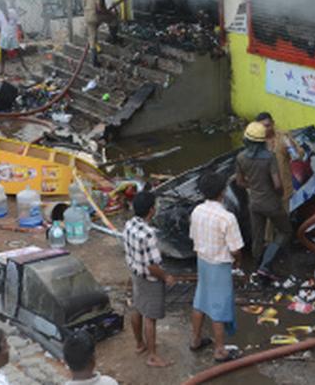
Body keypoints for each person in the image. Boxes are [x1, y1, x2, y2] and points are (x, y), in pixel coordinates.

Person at [189, 171, 243, 363]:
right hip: (219, 264)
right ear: (223, 192)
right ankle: (220, 350)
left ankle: (195, 339)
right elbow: (236, 249)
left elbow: (193, 237)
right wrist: (238, 261)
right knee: (219, 307)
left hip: (202, 260)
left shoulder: (197, 211)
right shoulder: (226, 218)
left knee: (201, 300)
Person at [123, 191, 176, 368]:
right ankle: (153, 356)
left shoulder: (130, 224)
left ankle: (140, 344)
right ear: (151, 209)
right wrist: (166, 276)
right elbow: (153, 266)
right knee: (150, 317)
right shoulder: (148, 234)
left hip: (135, 273)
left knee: (137, 307)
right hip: (150, 279)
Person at [235, 121, 290, 281]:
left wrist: (253, 186)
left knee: (257, 237)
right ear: (262, 141)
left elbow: (239, 182)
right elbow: (278, 184)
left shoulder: (241, 157)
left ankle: (256, 268)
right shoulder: (269, 158)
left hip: (254, 203)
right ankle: (266, 265)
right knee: (285, 231)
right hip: (272, 203)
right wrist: (279, 195)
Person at [258, 112, 301, 214]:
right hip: (264, 192)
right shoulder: (256, 141)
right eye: (261, 127)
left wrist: (292, 147)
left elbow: (298, 156)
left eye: (268, 126)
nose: (265, 129)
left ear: (273, 123)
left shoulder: (283, 137)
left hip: (283, 189)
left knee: (283, 220)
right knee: (267, 226)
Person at [83, 0, 119, 67]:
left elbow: (83, 3)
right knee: (114, 19)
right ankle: (113, 39)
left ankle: (94, 61)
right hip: (96, 16)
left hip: (87, 16)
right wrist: (109, 12)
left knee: (92, 40)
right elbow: (99, 7)